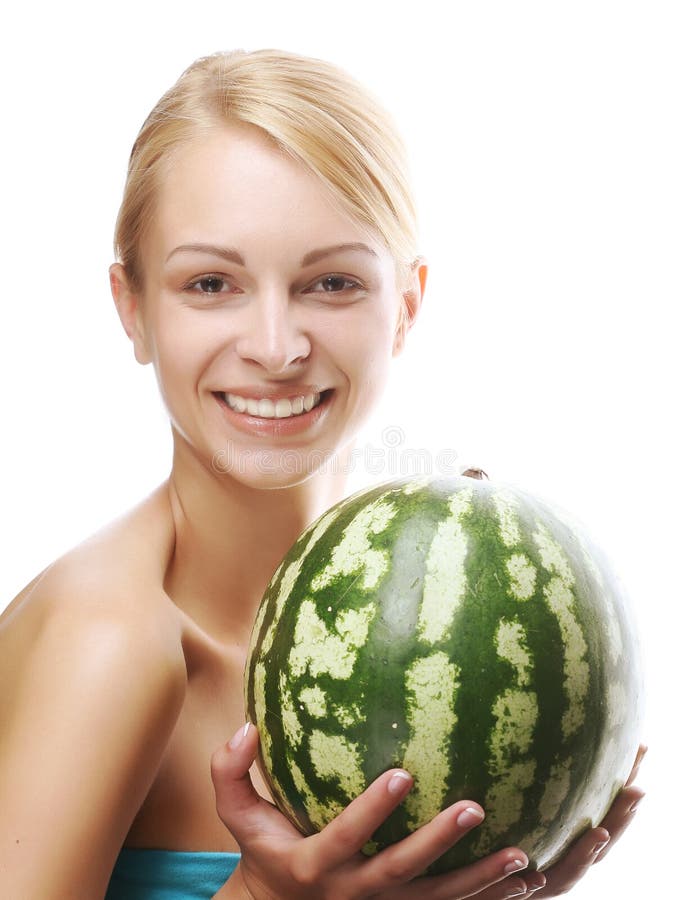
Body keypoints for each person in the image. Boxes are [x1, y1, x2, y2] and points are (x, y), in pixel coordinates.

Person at [0, 48, 644, 900]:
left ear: (406, 305)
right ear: (133, 308)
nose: (275, 346)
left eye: (332, 282)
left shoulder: (413, 638)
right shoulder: (112, 640)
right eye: (210, 283)